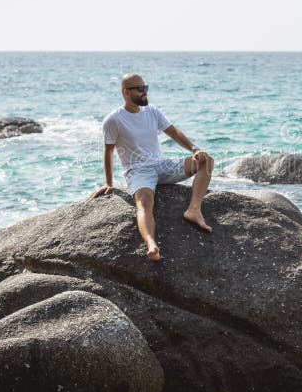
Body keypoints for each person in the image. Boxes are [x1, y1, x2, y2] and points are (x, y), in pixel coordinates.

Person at [90, 73, 214, 261]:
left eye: (145, 87)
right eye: (140, 89)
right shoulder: (113, 120)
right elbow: (108, 152)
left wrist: (195, 149)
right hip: (138, 171)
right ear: (126, 92)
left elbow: (174, 132)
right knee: (145, 202)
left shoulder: (152, 111)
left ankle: (194, 210)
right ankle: (151, 244)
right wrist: (109, 183)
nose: (145, 92)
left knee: (207, 161)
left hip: (163, 165)